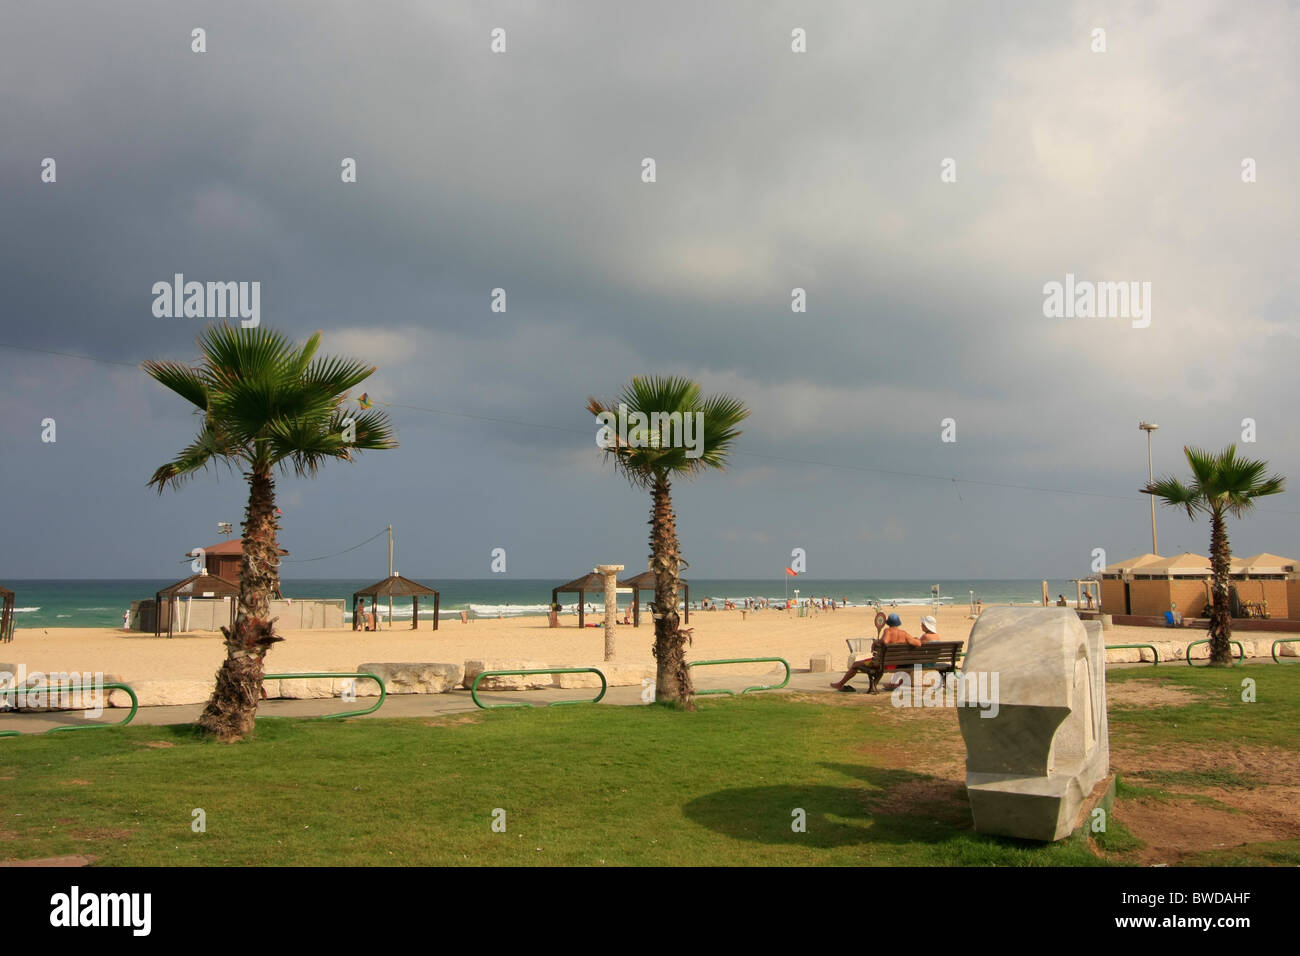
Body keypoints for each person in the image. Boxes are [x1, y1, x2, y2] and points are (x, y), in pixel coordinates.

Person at [831, 613, 920, 691]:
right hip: (896, 663)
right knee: (862, 663)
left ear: (888, 623)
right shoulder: (904, 633)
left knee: (855, 664)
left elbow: (885, 641)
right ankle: (894, 685)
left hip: (882, 663)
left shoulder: (887, 631)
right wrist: (914, 639)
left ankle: (840, 684)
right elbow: (918, 643)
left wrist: (876, 642)